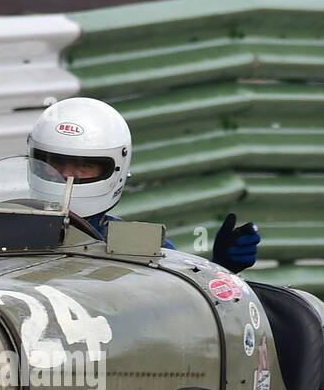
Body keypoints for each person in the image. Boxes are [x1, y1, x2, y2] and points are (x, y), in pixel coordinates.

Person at [26, 97, 261, 272]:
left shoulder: (143, 247)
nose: (66, 174)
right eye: (56, 162)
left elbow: (180, 305)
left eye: (83, 165)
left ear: (115, 169)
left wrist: (221, 269)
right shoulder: (2, 229)